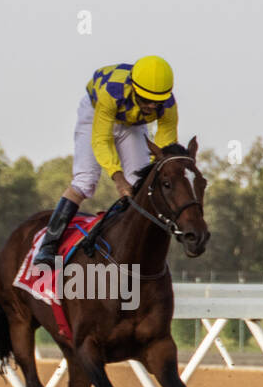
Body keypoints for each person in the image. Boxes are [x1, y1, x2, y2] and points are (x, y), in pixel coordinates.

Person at [32, 57, 178, 268]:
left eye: (157, 102)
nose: (151, 106)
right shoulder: (113, 92)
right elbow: (101, 140)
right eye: (145, 100)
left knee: (138, 185)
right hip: (95, 115)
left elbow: (163, 150)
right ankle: (47, 247)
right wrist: (118, 178)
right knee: (85, 181)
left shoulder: (169, 106)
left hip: (132, 124)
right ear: (134, 88)